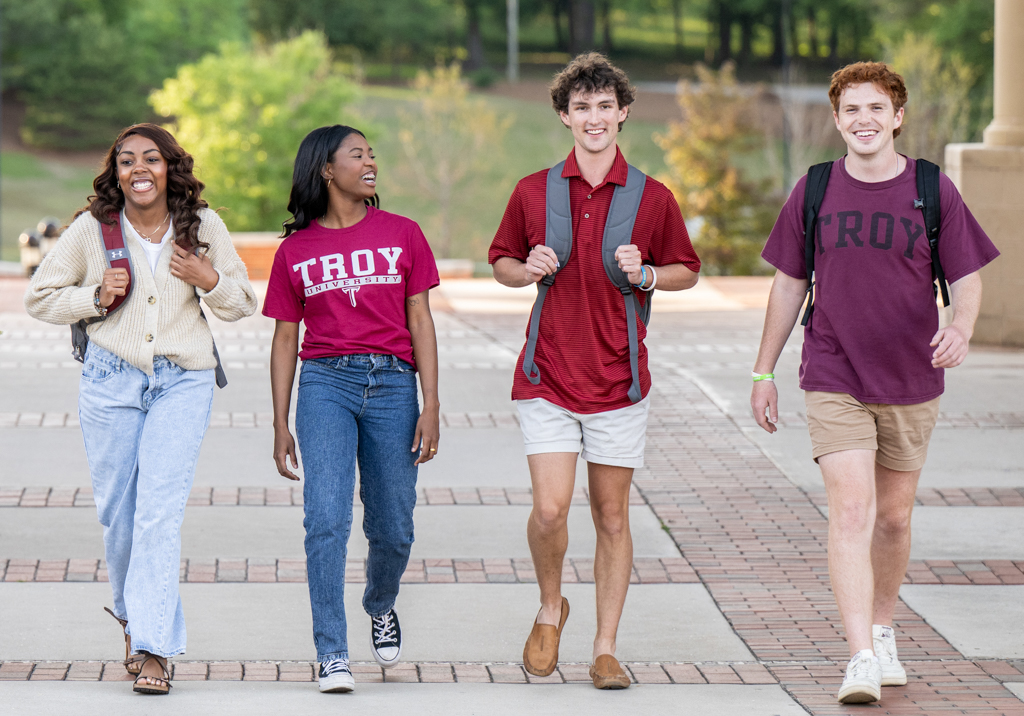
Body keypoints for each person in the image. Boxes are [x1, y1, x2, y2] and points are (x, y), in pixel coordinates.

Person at [751, 62, 999, 704]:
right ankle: (860, 655)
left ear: (897, 116)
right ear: (836, 120)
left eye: (875, 108)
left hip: (913, 375)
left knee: (892, 518)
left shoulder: (929, 187)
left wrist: (962, 328)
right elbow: (788, 282)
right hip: (833, 370)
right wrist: (763, 369)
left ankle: (884, 628)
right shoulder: (814, 190)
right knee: (853, 509)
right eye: (851, 110)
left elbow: (967, 276)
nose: (863, 120)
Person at [489, 53, 700, 690]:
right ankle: (552, 608)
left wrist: (647, 273)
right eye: (582, 107)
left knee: (611, 516)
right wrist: (525, 268)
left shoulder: (652, 197)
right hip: (547, 374)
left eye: (605, 105)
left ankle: (606, 647)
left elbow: (686, 269)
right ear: (564, 115)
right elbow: (498, 259)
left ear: (624, 112)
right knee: (551, 511)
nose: (594, 118)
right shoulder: (533, 190)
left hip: (618, 381)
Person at [25, 123, 257, 695]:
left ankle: (154, 647)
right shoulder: (92, 230)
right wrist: (94, 296)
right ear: (117, 174)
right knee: (120, 516)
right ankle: (135, 618)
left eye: (151, 158)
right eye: (127, 161)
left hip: (183, 381)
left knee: (158, 513)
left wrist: (208, 279)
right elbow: (39, 296)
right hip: (109, 381)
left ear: (170, 167)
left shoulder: (202, 227)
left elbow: (244, 301)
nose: (139, 169)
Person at [264, 125, 441, 694]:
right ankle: (332, 652)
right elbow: (285, 339)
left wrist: (431, 400)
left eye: (371, 154)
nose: (370, 162)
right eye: (357, 155)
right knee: (326, 520)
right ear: (325, 169)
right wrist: (279, 421)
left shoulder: (403, 233)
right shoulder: (295, 250)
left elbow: (421, 320)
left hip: (393, 385)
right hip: (325, 385)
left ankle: (380, 600)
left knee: (393, 527)